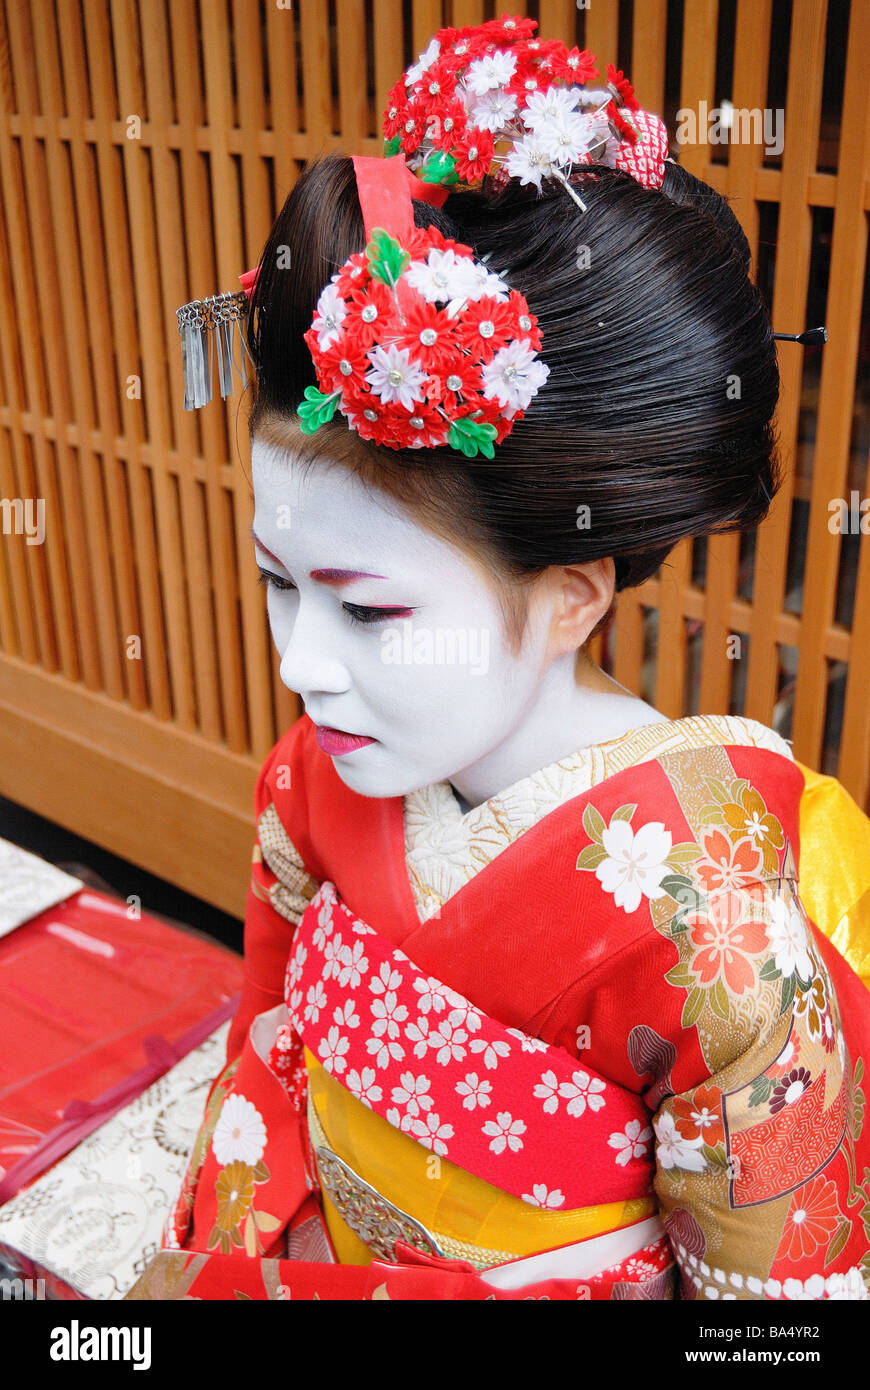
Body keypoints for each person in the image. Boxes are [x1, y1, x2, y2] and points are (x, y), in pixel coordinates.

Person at [130, 16, 870, 1300]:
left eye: (367, 609)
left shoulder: (723, 916)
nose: (303, 665)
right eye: (276, 580)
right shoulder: (314, 776)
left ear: (575, 594)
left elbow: (772, 1310)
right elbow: (271, 1044)